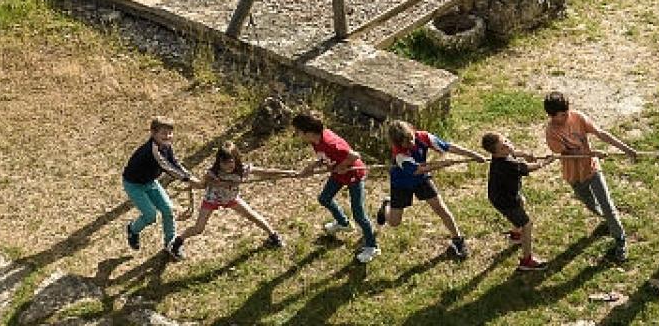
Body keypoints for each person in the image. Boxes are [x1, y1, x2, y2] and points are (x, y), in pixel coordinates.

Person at [543, 91, 638, 262]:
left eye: (567, 111)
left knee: (607, 205)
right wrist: (592, 152)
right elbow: (567, 154)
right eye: (561, 115)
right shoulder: (551, 132)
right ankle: (607, 219)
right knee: (591, 204)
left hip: (592, 169)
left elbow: (600, 133)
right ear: (551, 115)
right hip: (574, 175)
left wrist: (626, 149)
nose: (566, 116)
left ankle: (620, 240)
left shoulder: (577, 117)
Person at [375, 120, 485, 260]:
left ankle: (458, 240)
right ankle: (386, 206)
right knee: (394, 222)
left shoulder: (423, 137)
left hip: (421, 180)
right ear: (398, 144)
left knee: (440, 208)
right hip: (402, 183)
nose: (412, 143)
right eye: (407, 143)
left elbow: (448, 147)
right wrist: (442, 164)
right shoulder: (399, 154)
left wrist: (473, 155)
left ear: (412, 131)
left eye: (412, 138)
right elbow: (417, 170)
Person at [167, 142, 287, 261]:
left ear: (236, 159)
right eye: (224, 163)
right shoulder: (213, 173)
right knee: (198, 228)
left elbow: (264, 172)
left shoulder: (242, 169)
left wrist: (289, 173)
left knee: (252, 215)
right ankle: (177, 242)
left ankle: (273, 236)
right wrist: (213, 183)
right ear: (219, 162)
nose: (227, 166)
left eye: (231, 162)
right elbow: (202, 184)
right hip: (212, 199)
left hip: (231, 198)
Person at [291, 109, 379, 263]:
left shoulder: (331, 143)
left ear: (308, 132)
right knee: (324, 198)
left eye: (298, 131)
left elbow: (354, 156)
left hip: (353, 175)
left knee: (358, 214)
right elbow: (323, 157)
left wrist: (343, 165)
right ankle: (344, 223)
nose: (296, 134)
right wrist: (311, 167)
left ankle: (372, 246)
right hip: (338, 175)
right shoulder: (315, 140)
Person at [122, 118, 198, 256]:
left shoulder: (166, 146)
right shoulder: (153, 150)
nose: (168, 136)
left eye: (170, 133)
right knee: (150, 215)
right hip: (134, 185)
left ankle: (171, 243)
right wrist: (188, 179)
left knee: (168, 209)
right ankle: (132, 229)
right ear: (153, 133)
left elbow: (174, 163)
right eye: (163, 133)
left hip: (150, 182)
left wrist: (189, 176)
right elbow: (167, 167)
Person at [481, 132, 546, 272]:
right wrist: (544, 163)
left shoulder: (502, 155)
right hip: (506, 201)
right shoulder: (507, 164)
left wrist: (526, 154)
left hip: (503, 195)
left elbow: (514, 152)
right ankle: (526, 261)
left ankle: (516, 235)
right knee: (527, 225)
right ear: (496, 153)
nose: (507, 145)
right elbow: (527, 168)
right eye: (503, 146)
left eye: (505, 141)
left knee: (521, 201)